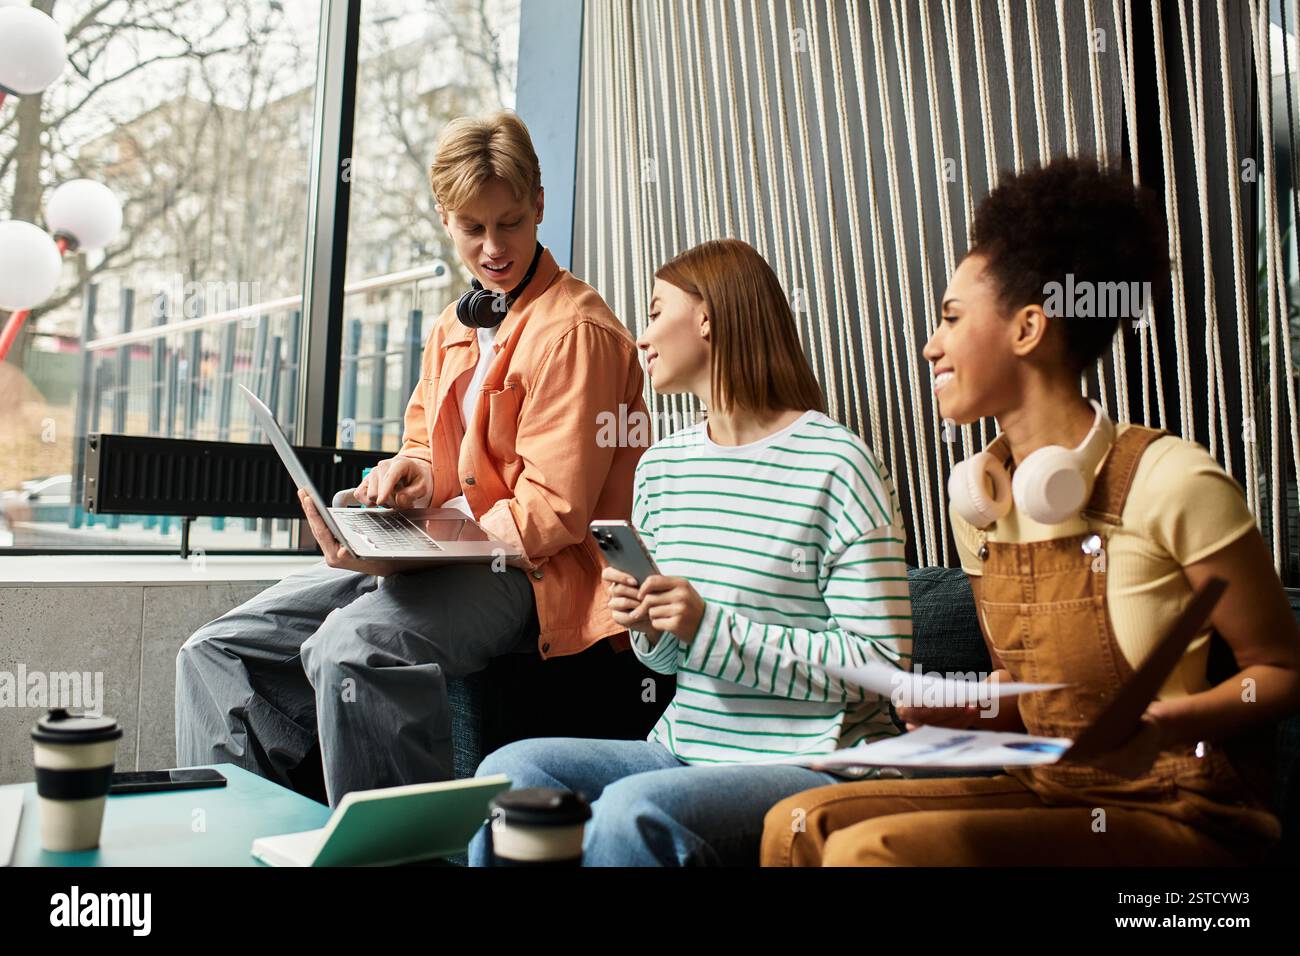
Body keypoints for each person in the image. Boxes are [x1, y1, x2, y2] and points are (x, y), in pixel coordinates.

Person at [762, 156, 1300, 866]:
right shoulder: (981, 505)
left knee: (878, 852)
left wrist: (1175, 720)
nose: (931, 345)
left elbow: (1281, 670)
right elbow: (1027, 689)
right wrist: (970, 704)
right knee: (799, 823)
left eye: (951, 318)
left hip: (1180, 811)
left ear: (1027, 329)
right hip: (1048, 787)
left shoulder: (1175, 483)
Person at [175, 112, 648, 807]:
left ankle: (392, 858)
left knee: (352, 648)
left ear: (540, 205)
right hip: (452, 551)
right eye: (472, 228)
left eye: (510, 222)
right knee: (214, 651)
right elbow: (431, 449)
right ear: (445, 219)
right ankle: (234, 840)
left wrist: (415, 551)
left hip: (537, 573)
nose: (493, 247)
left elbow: (551, 517)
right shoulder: (456, 326)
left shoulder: (577, 332)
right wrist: (410, 480)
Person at [468, 238, 914, 866]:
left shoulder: (837, 464)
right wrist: (649, 622)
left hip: (817, 765)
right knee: (510, 774)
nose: (640, 337)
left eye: (654, 312)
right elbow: (671, 663)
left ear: (706, 317)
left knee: (633, 811)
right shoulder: (662, 469)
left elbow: (882, 668)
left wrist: (709, 625)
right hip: (686, 750)